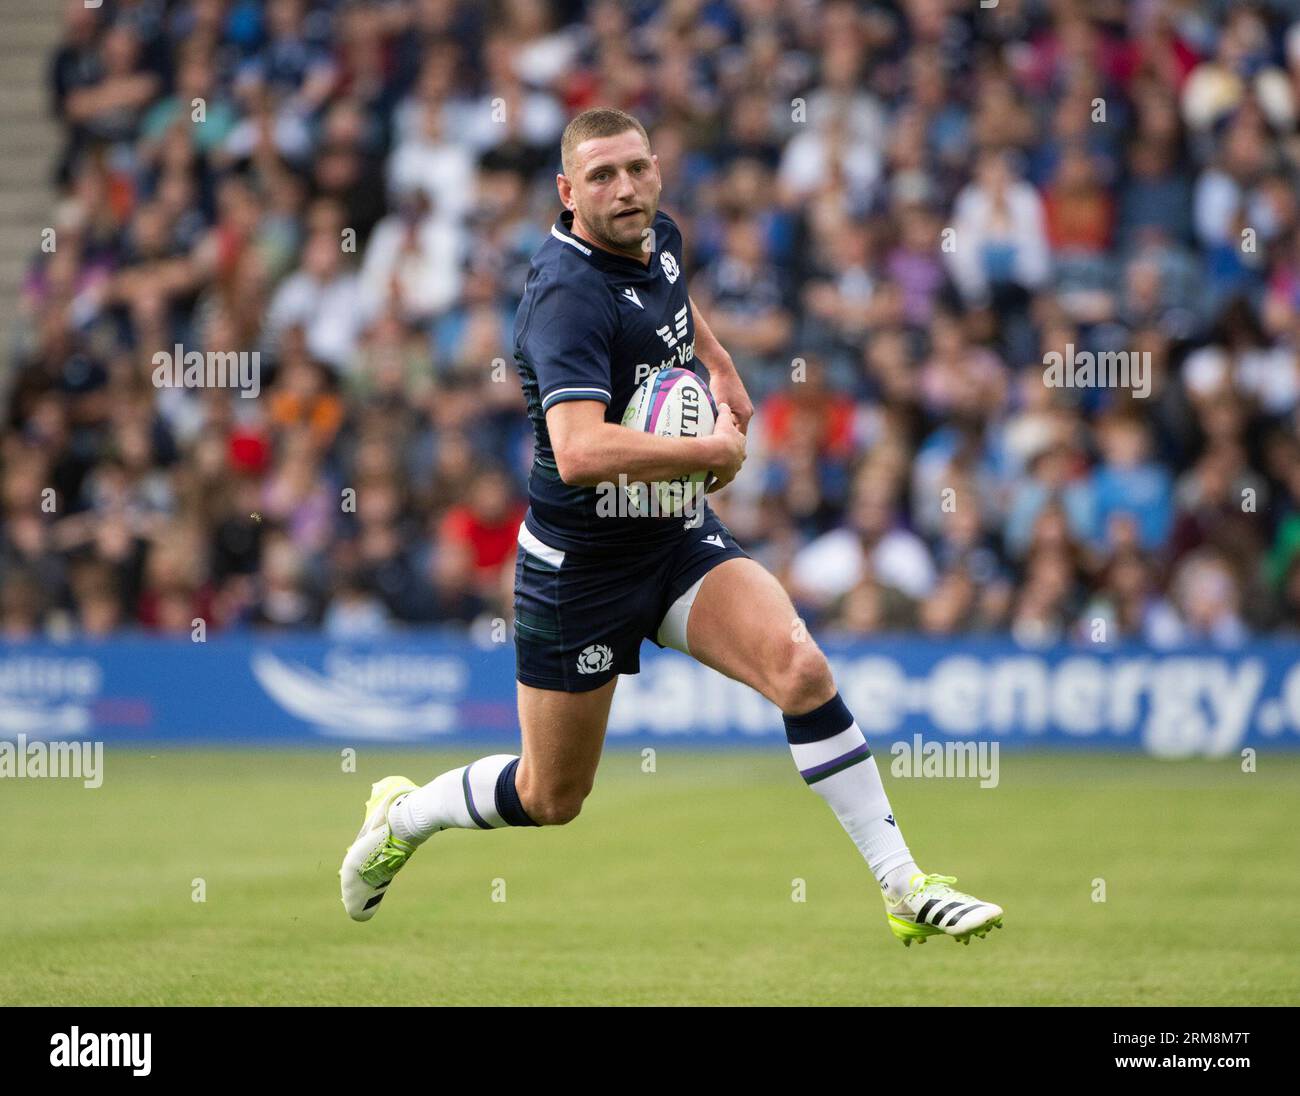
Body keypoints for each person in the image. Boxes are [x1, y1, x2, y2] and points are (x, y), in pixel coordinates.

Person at [339, 108, 1003, 947]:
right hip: (578, 565)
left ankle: (903, 886)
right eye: (603, 177)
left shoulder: (661, 236)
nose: (625, 189)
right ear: (566, 191)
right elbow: (578, 452)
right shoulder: (565, 297)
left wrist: (720, 368)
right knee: (552, 798)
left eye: (637, 169)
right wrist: (702, 449)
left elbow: (676, 303)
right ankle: (407, 814)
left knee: (800, 667)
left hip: (672, 538)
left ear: (657, 170)